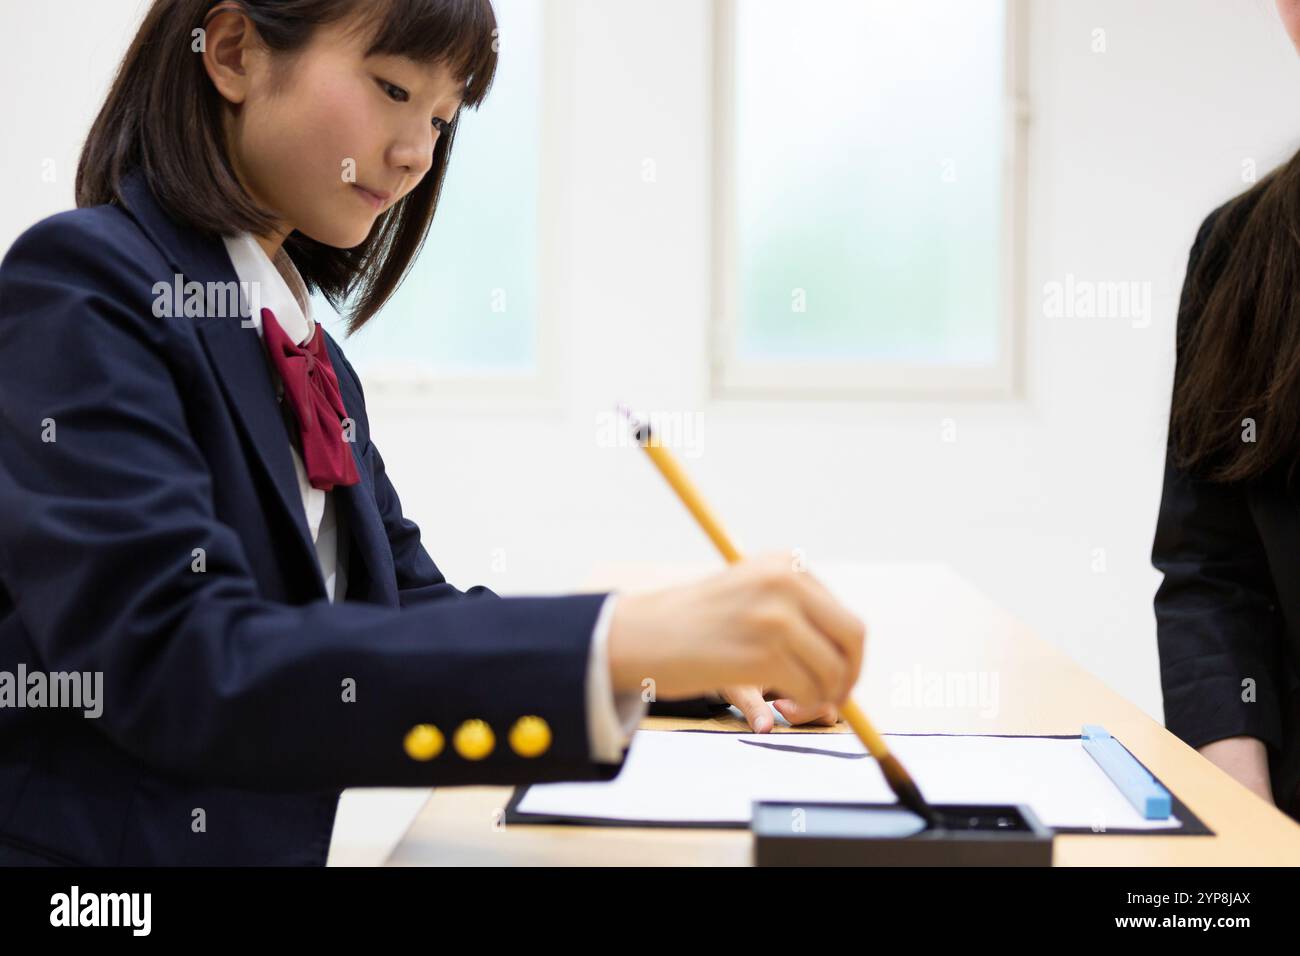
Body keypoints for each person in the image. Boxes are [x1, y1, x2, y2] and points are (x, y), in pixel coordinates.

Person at [0, 0, 864, 865]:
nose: (416, 153)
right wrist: (622, 640)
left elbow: (406, 608)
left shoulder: (309, 353)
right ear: (232, 54)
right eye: (391, 88)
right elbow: (181, 658)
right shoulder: (85, 287)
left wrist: (667, 663)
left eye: (443, 118)